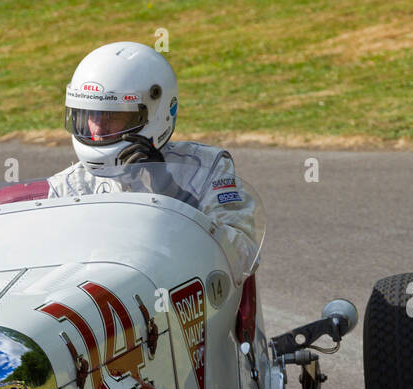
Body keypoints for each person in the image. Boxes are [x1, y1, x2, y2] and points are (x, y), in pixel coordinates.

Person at [48, 41, 259, 270]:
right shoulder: (68, 187)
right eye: (90, 116)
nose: (97, 130)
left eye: (110, 117)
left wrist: (170, 194)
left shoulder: (207, 168)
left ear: (155, 113)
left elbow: (244, 257)